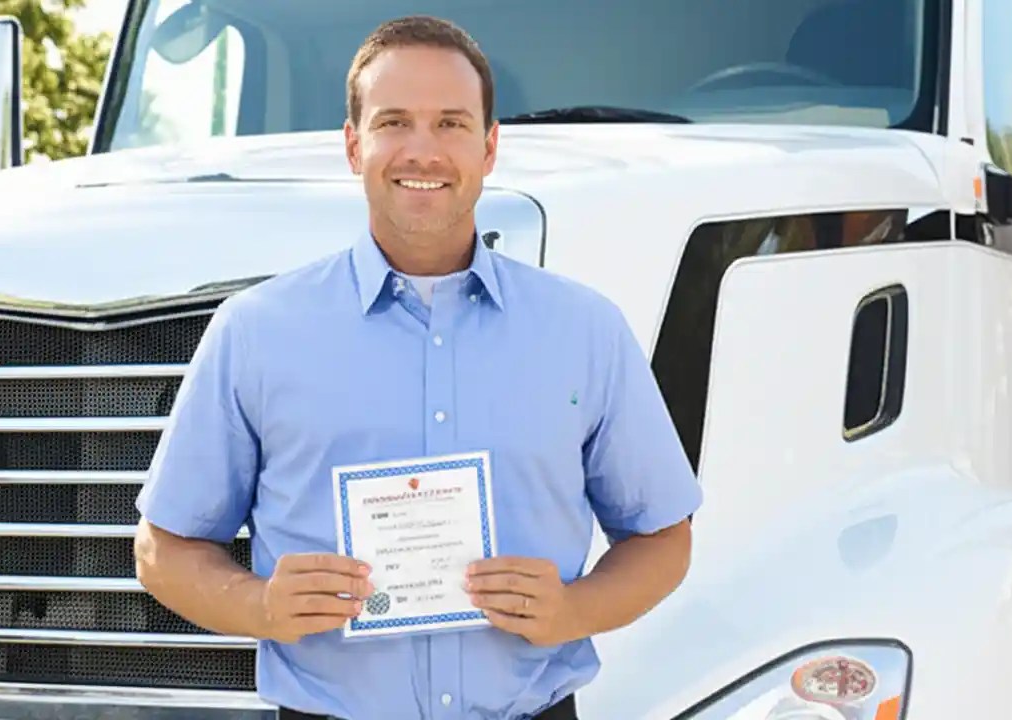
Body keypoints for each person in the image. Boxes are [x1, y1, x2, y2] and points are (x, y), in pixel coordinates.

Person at [133, 15, 703, 720]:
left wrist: (573, 609)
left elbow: (664, 539)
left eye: (452, 124)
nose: (423, 151)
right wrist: (261, 605)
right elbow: (163, 549)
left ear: (490, 148)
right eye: (394, 121)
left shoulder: (585, 330)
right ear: (353, 145)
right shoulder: (256, 331)